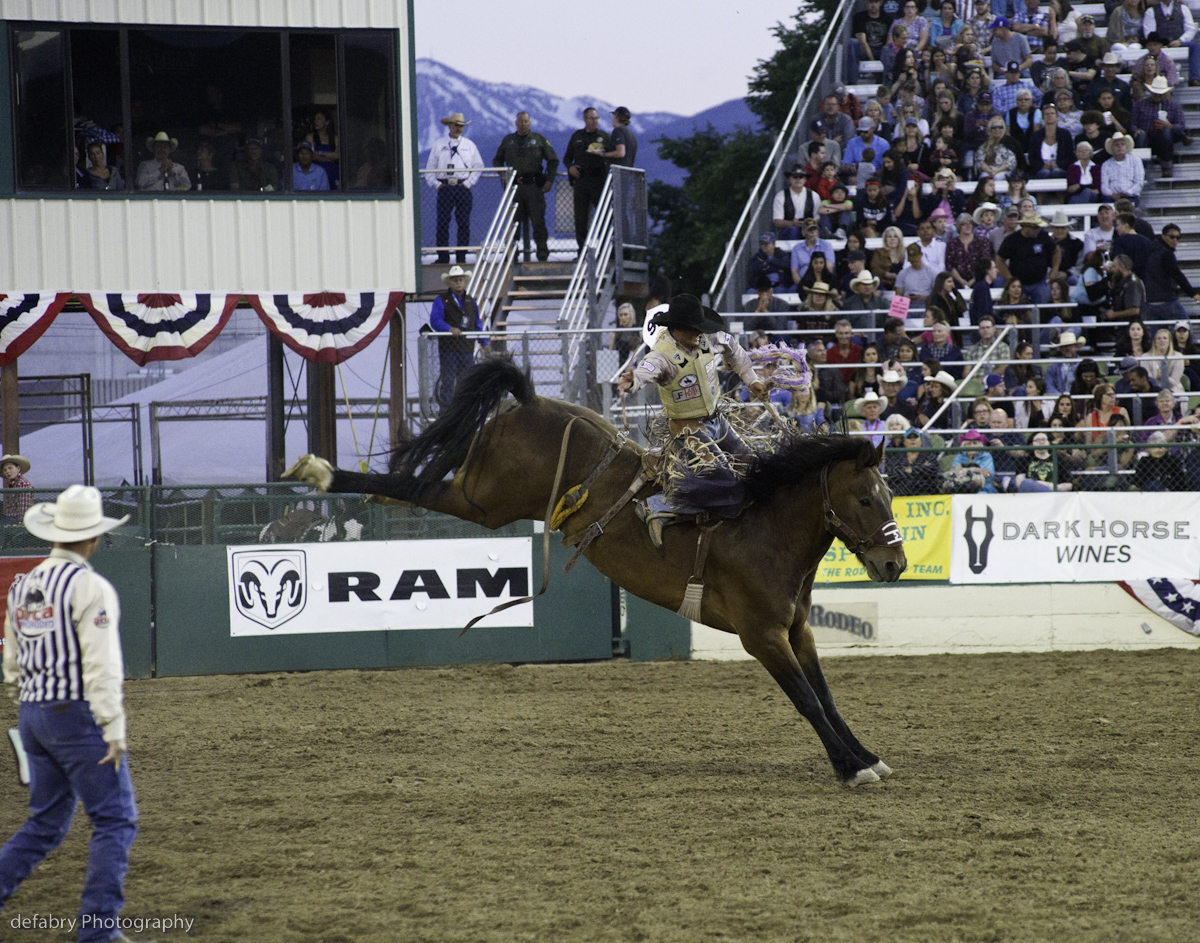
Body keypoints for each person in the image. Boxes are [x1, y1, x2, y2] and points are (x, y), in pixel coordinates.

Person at [0, 486, 138, 940]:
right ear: (93, 538)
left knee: (45, 821)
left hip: (33, 715)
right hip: (74, 714)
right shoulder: (90, 586)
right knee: (114, 819)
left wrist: (26, 696)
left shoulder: (24, 584)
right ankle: (99, 931)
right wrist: (113, 726)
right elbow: (102, 664)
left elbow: (12, 661)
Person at [617, 296, 764, 546]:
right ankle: (661, 504)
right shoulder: (661, 356)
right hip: (688, 430)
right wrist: (632, 383)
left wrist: (752, 379)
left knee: (755, 467)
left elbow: (735, 349)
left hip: (718, 421)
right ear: (678, 329)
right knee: (725, 480)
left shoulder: (709, 339)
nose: (700, 333)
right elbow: (645, 372)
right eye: (695, 328)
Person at [493, 112, 559, 262]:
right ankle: (512, 255)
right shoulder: (508, 141)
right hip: (514, 188)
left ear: (530, 123)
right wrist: (503, 175)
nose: (523, 124)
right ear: (516, 123)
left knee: (538, 223)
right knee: (513, 224)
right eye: (520, 121)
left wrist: (549, 180)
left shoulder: (538, 140)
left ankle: (542, 254)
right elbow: (497, 160)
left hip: (534, 187)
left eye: (526, 121)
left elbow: (553, 160)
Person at [426, 111, 485, 264]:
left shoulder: (469, 145)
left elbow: (478, 166)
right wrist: (438, 185)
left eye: (461, 126)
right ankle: (443, 257)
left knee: (464, 223)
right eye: (456, 125)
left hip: (462, 187)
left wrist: (468, 183)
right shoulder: (439, 144)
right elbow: (430, 168)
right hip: (445, 187)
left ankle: (461, 257)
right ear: (449, 126)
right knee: (443, 222)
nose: (458, 128)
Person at [429, 265, 487, 408]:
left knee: (467, 381)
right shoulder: (442, 300)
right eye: (455, 280)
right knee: (448, 381)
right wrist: (449, 329)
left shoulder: (470, 301)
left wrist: (483, 342)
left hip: (467, 349)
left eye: (460, 279)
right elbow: (435, 321)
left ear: (465, 282)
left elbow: (476, 323)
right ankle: (447, 411)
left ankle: (466, 409)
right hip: (449, 349)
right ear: (449, 282)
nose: (458, 282)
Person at [563, 108, 613, 255]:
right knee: (581, 218)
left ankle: (605, 250)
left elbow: (612, 156)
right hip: (581, 180)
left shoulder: (603, 137)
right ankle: (582, 251)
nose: (594, 121)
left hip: (599, 180)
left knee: (603, 216)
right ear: (585, 119)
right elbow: (567, 157)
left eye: (596, 118)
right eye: (591, 118)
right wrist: (570, 167)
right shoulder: (577, 136)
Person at [1132, 75, 1190, 177]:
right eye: (1155, 93)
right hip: (1146, 134)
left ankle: (1166, 165)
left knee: (1166, 132)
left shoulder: (1173, 106)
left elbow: (1181, 125)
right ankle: (1141, 169)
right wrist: (1136, 129)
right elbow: (1133, 123)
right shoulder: (1140, 104)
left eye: (1160, 94)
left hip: (1164, 137)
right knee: (1141, 136)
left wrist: (1169, 125)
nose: (1157, 96)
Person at [997, 212, 1060, 305]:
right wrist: (1010, 278)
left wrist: (1055, 269)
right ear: (1026, 227)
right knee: (1019, 311)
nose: (1038, 230)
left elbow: (1056, 251)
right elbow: (999, 260)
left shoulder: (1043, 236)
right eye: (1035, 227)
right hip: (1020, 284)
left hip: (1040, 281)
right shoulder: (1012, 240)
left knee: (1042, 311)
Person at [1142, 0, 1200, 88]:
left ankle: (1194, 78)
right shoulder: (1151, 11)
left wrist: (1180, 40)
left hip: (1179, 43)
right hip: (1160, 45)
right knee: (1152, 48)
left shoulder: (1183, 8)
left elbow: (1191, 29)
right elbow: (1149, 33)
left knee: (1195, 47)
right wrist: (1160, 44)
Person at [850, 0, 896, 82]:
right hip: (864, 50)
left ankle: (886, 81)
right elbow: (863, 42)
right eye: (871, 2)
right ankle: (852, 81)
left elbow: (889, 41)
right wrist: (873, 62)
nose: (873, 5)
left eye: (876, 2)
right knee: (852, 42)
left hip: (881, 51)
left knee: (889, 49)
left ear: (880, 3)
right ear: (866, 3)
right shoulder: (859, 17)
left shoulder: (888, 18)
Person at [888, 427, 941, 494]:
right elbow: (892, 472)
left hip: (925, 493)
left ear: (921, 440)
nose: (913, 440)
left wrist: (910, 470)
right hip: (901, 494)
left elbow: (932, 469)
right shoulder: (897, 457)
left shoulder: (929, 455)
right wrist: (920, 471)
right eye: (909, 438)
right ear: (904, 442)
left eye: (915, 437)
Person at [1100, 132, 1144, 204]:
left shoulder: (1136, 161)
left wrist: (1127, 193)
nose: (1120, 147)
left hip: (1131, 196)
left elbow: (1139, 183)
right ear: (1112, 148)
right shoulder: (1106, 164)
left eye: (1122, 144)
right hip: (1111, 197)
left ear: (1126, 147)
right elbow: (1104, 186)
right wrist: (1112, 194)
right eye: (1117, 145)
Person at [1104, 253, 1146, 324]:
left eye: (1114, 266)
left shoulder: (1133, 283)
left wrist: (1114, 314)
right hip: (1121, 326)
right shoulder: (1120, 282)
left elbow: (1134, 310)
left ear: (1122, 267)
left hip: (1132, 325)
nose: (1112, 269)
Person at [304, 109, 340, 191]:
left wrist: (321, 153)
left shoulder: (335, 138)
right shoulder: (310, 137)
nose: (316, 121)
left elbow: (338, 155)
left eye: (319, 119)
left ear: (327, 122)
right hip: (317, 173)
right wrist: (331, 158)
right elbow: (312, 156)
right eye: (315, 119)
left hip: (333, 172)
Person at [1044, 330, 1086, 394]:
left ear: (1076, 347)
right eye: (1064, 346)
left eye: (1070, 346)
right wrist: (1061, 398)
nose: (1067, 349)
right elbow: (1049, 387)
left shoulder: (1084, 365)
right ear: (1060, 349)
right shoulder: (1052, 368)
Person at [0, 454, 33, 523]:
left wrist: (21, 526)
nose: (7, 472)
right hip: (9, 518)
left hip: (17, 520)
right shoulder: (11, 484)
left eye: (10, 468)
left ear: (18, 468)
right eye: (5, 470)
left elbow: (24, 508)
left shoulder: (22, 484)